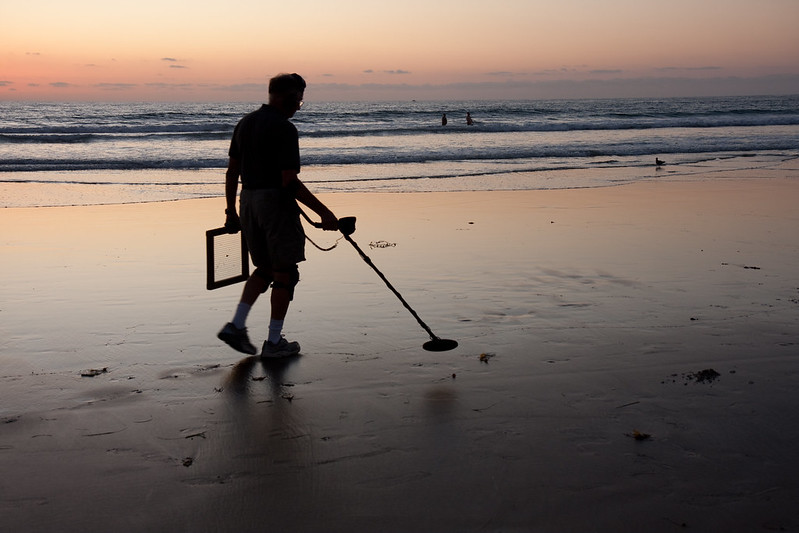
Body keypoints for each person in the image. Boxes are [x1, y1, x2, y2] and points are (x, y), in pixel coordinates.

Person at [218, 73, 338, 358]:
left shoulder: (245, 123)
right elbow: (289, 181)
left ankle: (236, 325)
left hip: (248, 201)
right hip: (274, 204)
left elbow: (232, 172)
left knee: (265, 268)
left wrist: (231, 211)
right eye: (298, 100)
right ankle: (273, 342)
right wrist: (325, 213)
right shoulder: (284, 129)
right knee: (285, 272)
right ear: (286, 97)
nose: (298, 106)